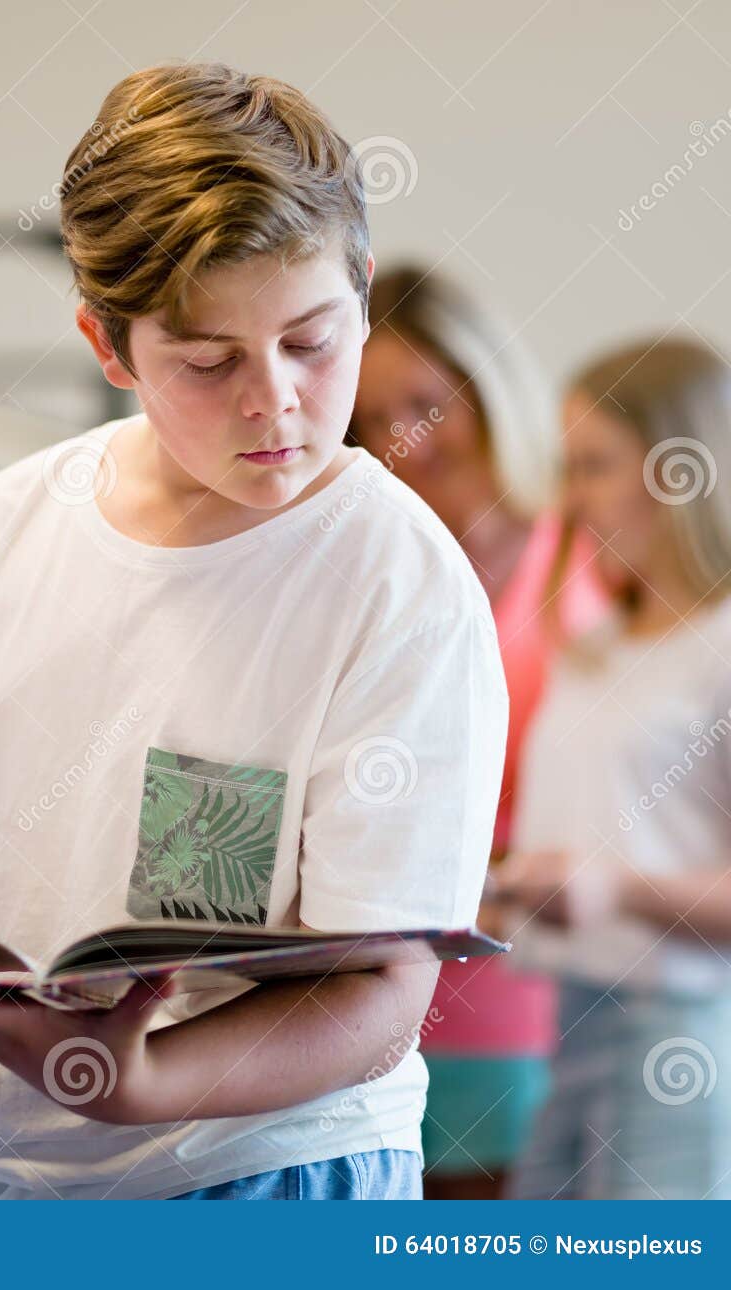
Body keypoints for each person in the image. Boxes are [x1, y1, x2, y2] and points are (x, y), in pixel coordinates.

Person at [0, 61, 508, 1200]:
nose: (275, 403)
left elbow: (377, 998)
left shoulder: (400, 581)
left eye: (312, 341)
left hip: (277, 1176)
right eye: (207, 362)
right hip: (10, 1175)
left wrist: (140, 1084)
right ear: (107, 347)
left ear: (361, 285)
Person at [349, 267, 607, 1197]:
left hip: (550, 1006)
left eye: (427, 404)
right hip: (372, 1017)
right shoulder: (370, 581)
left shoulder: (590, 561)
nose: (403, 442)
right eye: (374, 418)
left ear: (487, 391)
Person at [496, 338, 731, 1200]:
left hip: (683, 1039)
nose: (571, 499)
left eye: (595, 464)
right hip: (571, 1021)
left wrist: (617, 889)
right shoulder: (593, 650)